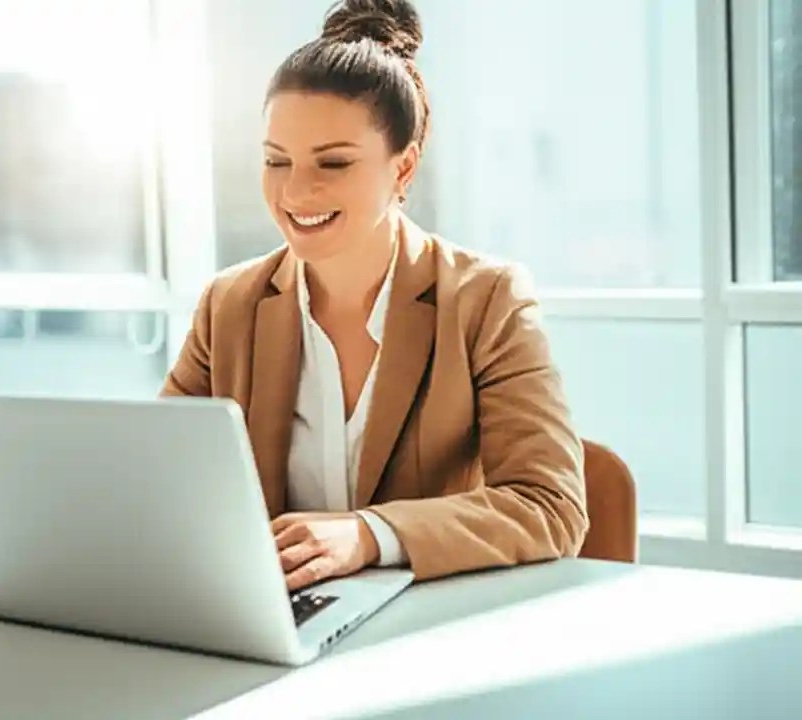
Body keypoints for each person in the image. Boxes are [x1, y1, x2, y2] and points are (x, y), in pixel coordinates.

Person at [161, 0, 588, 588]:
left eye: (333, 163)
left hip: (426, 630)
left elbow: (550, 507)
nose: (296, 191)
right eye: (275, 160)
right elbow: (157, 484)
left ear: (404, 167)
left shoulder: (486, 300)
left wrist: (368, 534)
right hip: (275, 620)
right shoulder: (228, 305)